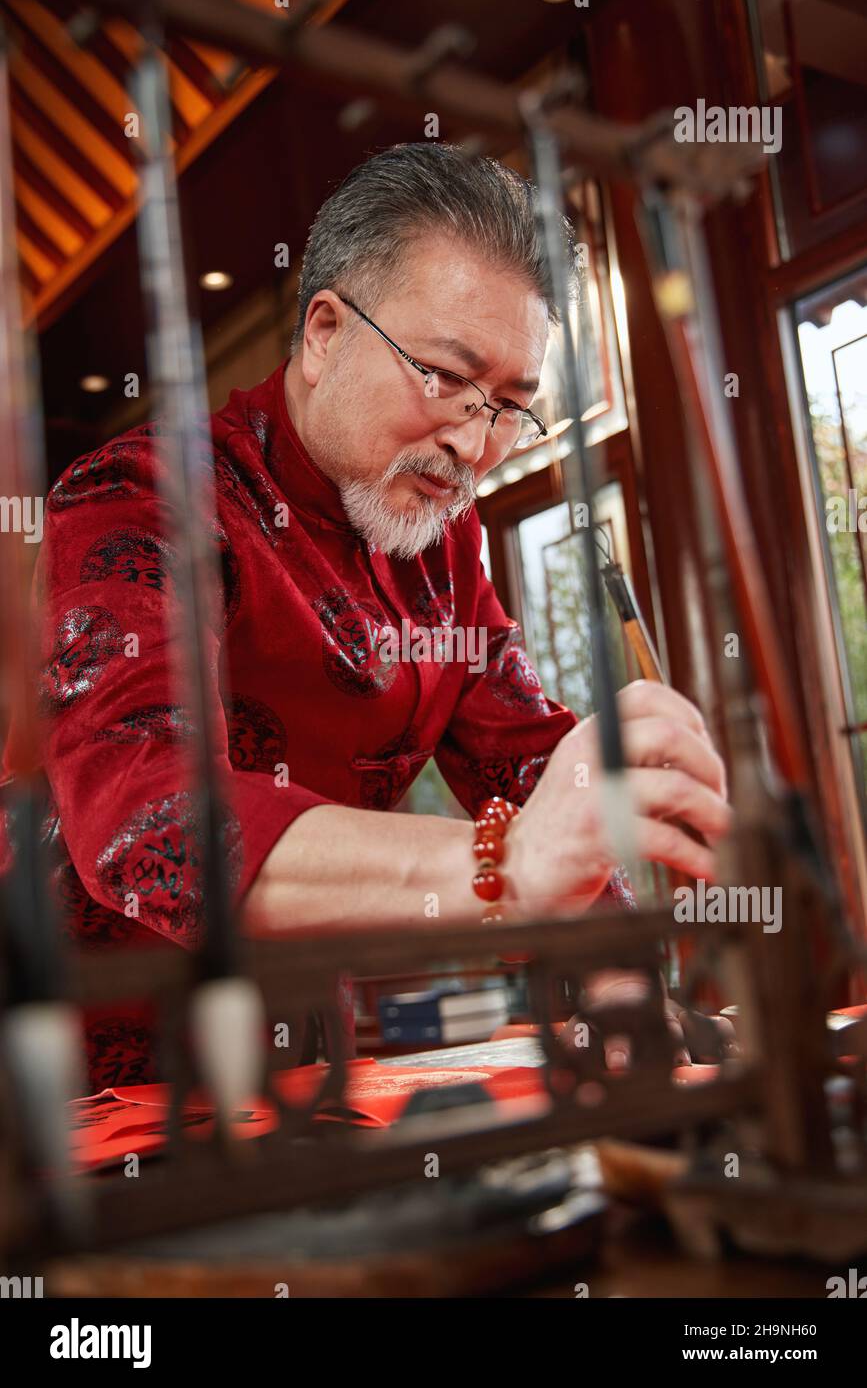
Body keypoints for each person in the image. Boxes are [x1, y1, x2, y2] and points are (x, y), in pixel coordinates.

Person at [1, 143, 729, 1090]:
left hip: (298, 1065)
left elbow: (526, 761)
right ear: (323, 332)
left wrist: (616, 973)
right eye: (442, 377)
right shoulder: (135, 498)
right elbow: (150, 822)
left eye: (509, 406)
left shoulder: (441, 546)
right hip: (70, 1078)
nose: (473, 444)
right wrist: (503, 865)